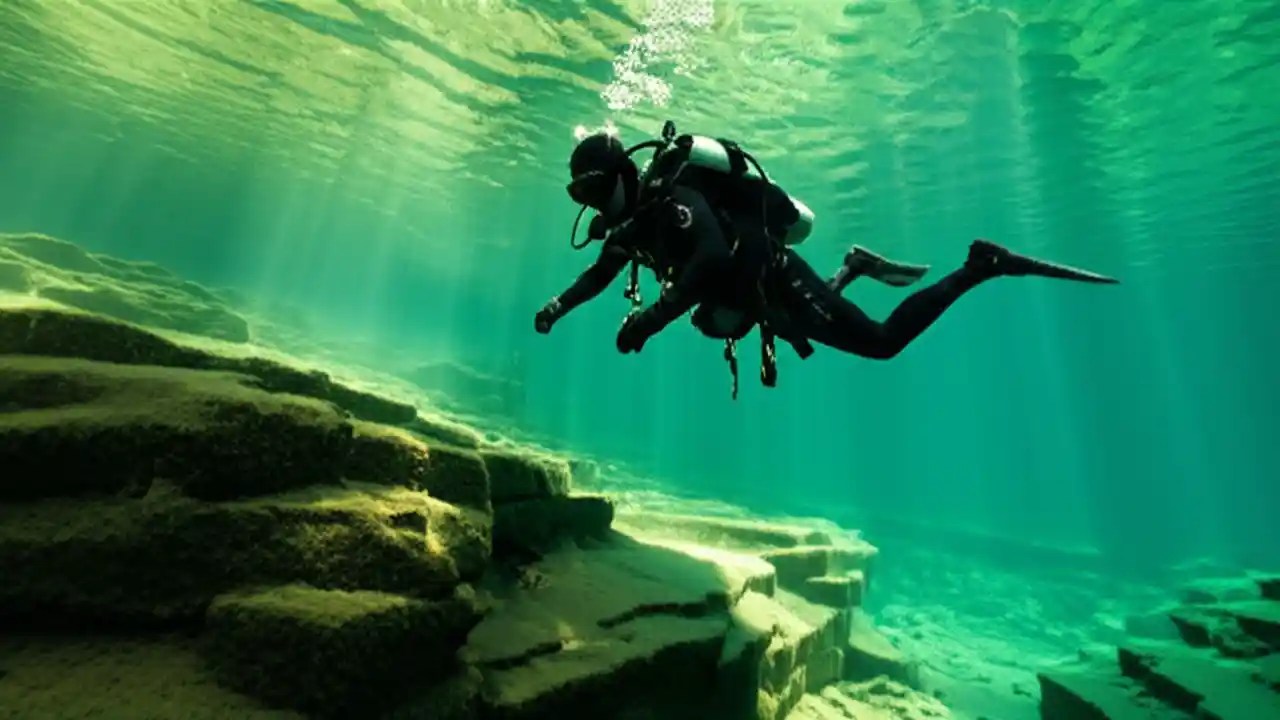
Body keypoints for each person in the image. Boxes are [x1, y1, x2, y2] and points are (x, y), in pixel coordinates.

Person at [534, 122, 1117, 392]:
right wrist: (557, 308)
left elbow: (710, 258)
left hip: (774, 278)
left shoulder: (676, 201)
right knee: (760, 320)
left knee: (882, 343)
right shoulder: (629, 231)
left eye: (590, 190)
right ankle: (854, 266)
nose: (589, 205)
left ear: (618, 176)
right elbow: (596, 276)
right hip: (757, 300)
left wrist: (650, 320)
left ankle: (981, 266)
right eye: (578, 196)